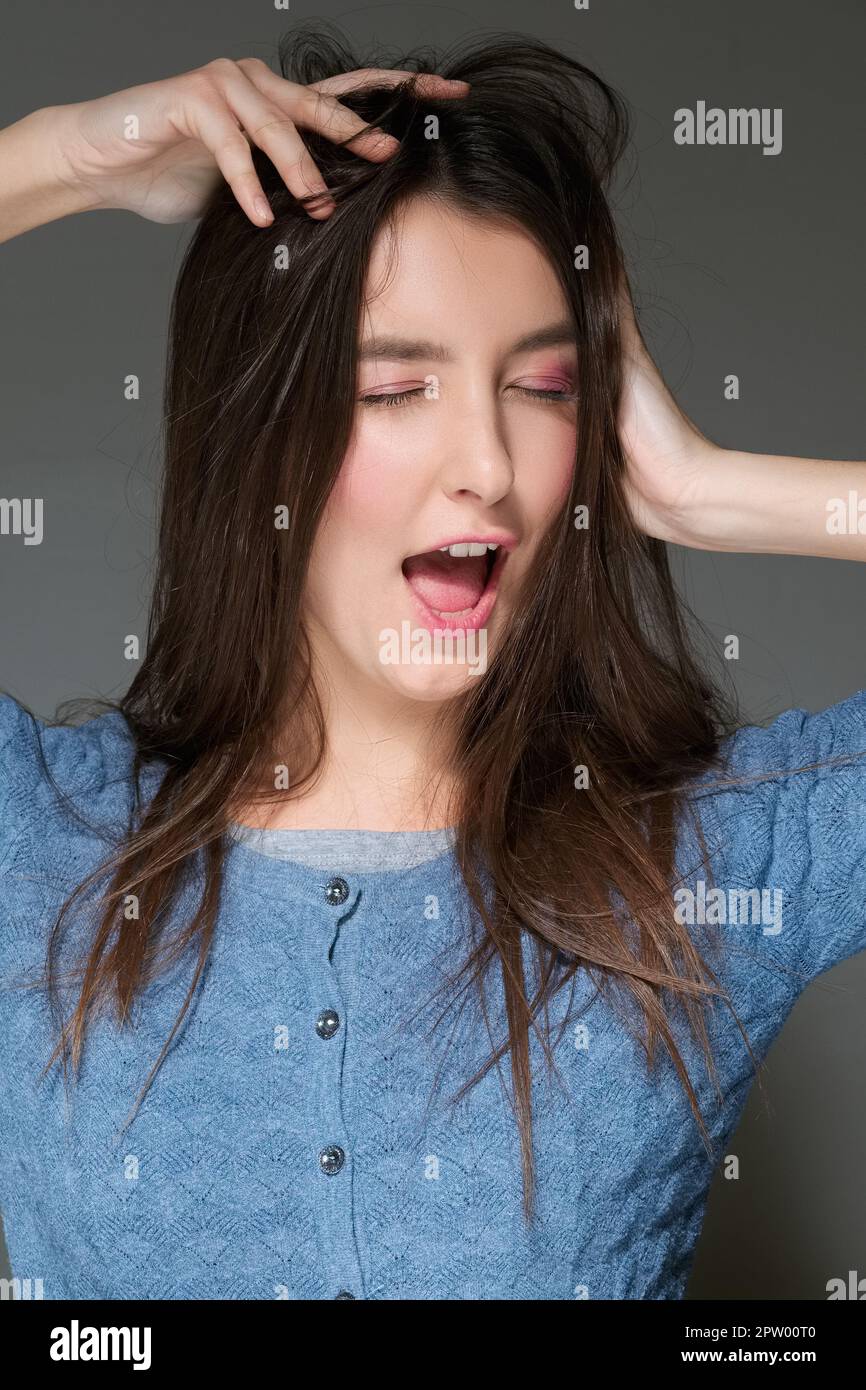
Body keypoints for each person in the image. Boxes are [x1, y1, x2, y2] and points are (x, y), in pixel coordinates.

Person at [1, 24, 864, 1301]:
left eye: (545, 387)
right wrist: (65, 160)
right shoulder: (45, 842)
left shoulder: (706, 863)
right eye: (397, 390)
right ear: (256, 433)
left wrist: (714, 489)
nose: (491, 468)